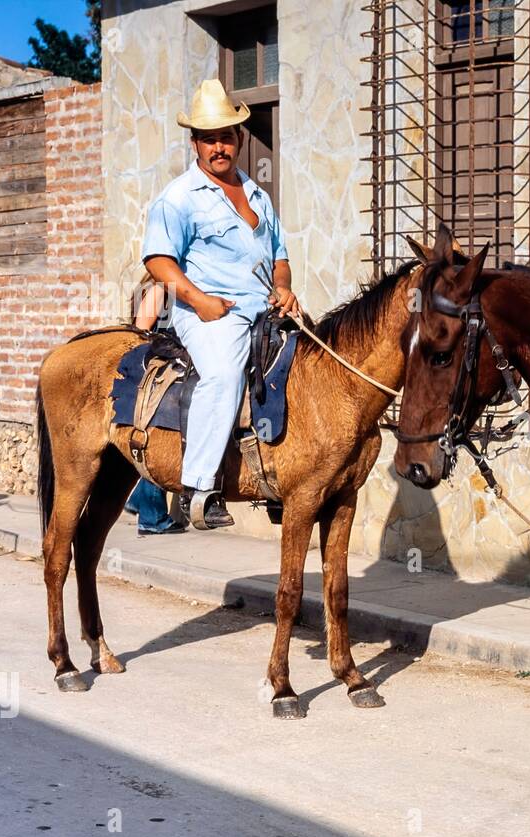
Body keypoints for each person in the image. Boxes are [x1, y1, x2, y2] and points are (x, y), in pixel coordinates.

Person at [140, 78, 303, 530]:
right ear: (194, 143)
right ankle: (200, 487)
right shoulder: (178, 198)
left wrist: (284, 287)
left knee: (306, 365)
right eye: (208, 138)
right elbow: (158, 260)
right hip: (210, 312)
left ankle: (279, 475)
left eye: (225, 137)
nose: (218, 147)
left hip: (263, 307)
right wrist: (201, 301)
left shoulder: (258, 195)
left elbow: (280, 256)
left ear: (240, 139)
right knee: (225, 374)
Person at [121, 276, 187, 536]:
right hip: (161, 373)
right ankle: (151, 515)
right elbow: (141, 332)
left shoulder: (160, 287)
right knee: (163, 438)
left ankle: (141, 502)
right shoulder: (161, 287)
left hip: (166, 371)